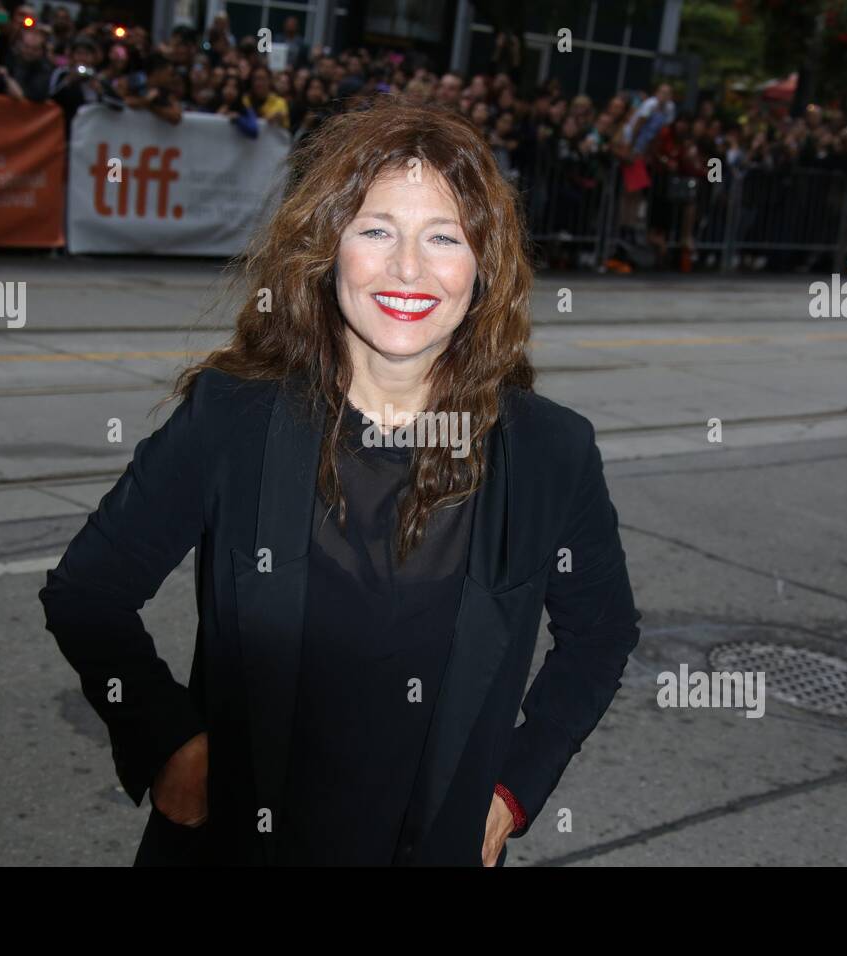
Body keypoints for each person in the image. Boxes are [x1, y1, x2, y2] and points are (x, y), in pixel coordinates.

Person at [39, 97, 643, 867]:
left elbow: (602, 635)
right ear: (328, 248)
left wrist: (514, 789)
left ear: (483, 266)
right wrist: (170, 742)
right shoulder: (234, 419)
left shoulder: (549, 451)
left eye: (444, 237)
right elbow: (87, 592)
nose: (408, 269)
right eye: (377, 230)